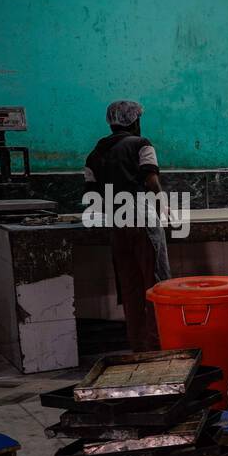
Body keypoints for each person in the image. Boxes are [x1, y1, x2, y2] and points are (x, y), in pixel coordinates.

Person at [83, 100, 171, 351]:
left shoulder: (94, 154)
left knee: (130, 288)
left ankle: (138, 345)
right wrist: (161, 208)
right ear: (134, 121)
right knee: (156, 285)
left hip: (117, 227)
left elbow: (92, 198)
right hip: (143, 221)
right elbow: (152, 181)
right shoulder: (141, 144)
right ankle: (159, 345)